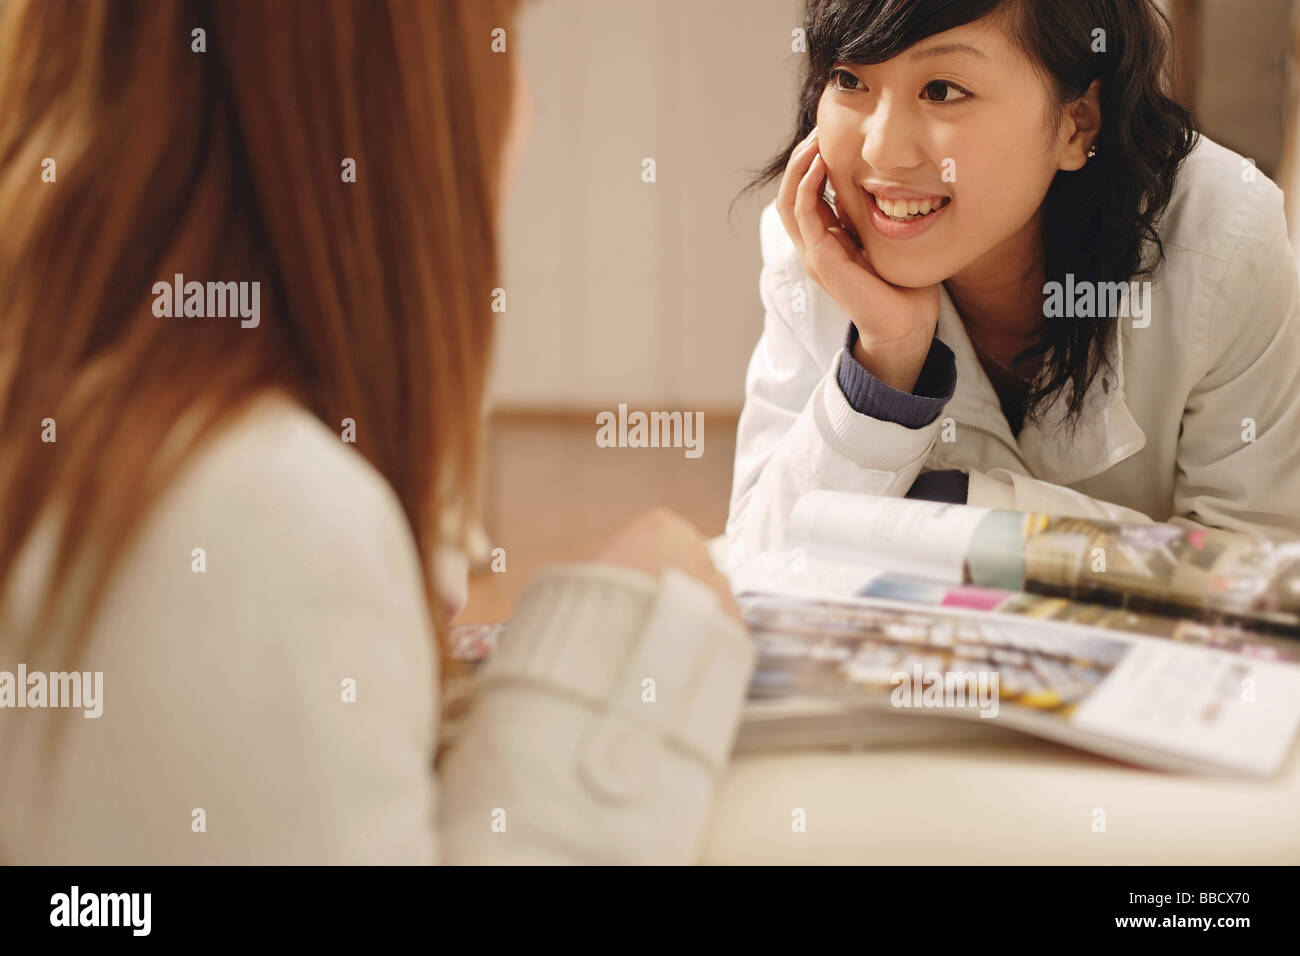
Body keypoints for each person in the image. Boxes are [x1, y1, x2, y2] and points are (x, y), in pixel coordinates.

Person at [0, 0, 752, 864]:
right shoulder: (252, 519)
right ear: (394, 101)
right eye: (500, 47)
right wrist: (618, 651)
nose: (522, 108)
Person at [727, 0, 1300, 570]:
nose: (881, 151)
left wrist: (963, 509)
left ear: (1077, 123)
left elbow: (1259, 571)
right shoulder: (817, 249)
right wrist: (885, 362)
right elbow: (759, 564)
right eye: (850, 79)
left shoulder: (1224, 233)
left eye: (942, 90)